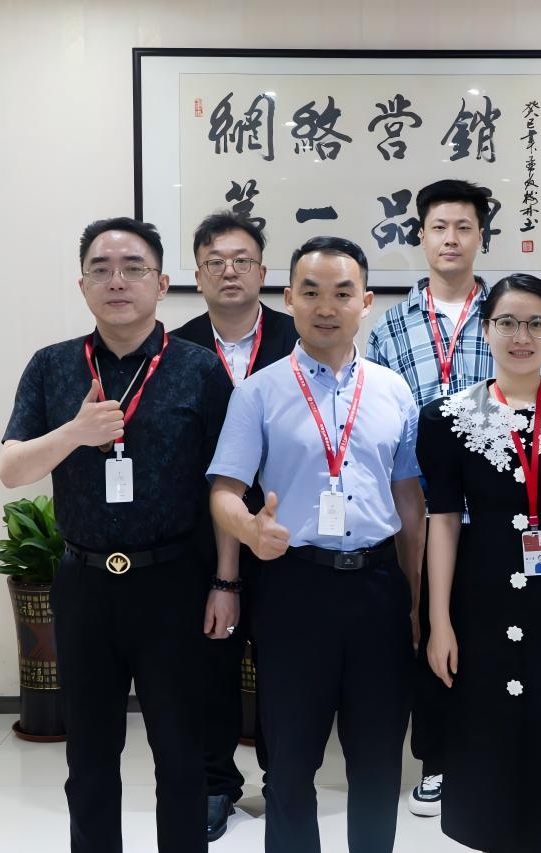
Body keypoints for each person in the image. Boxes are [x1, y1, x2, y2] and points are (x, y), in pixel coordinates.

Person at [0, 217, 236, 853]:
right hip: (85, 584)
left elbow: (227, 485)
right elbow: (11, 469)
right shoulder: (52, 367)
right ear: (82, 286)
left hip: (175, 583)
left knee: (181, 754)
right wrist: (74, 433)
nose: (117, 281)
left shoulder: (200, 370)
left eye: (133, 268)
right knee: (90, 757)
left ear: (161, 283)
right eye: (100, 270)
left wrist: (225, 582)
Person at [208, 236, 426, 853]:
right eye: (310, 292)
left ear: (366, 302)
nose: (326, 307)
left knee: (378, 759)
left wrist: (415, 599)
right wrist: (250, 529)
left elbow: (409, 501)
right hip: (293, 587)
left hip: (379, 588)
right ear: (289, 299)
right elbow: (224, 492)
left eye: (342, 293)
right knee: (290, 760)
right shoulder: (258, 392)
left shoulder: (394, 391)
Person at [419, 274, 541, 853]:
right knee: (484, 731)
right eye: (507, 322)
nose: (521, 336)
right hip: (478, 602)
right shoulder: (448, 417)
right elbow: (442, 521)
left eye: (536, 323)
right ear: (486, 330)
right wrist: (439, 622)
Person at [365, 178, 495, 818]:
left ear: (481, 237)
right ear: (420, 236)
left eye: (463, 227)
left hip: (491, 507)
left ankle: (488, 757)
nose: (451, 238)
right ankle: (435, 761)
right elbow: (375, 413)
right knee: (421, 630)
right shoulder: (391, 325)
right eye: (439, 227)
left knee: (489, 631)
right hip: (414, 508)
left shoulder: (506, 311)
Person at [171, 211, 297, 842]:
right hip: (201, 534)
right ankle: (216, 782)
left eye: (241, 260)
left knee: (284, 664)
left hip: (285, 533)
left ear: (262, 272)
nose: (229, 270)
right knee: (209, 663)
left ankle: (284, 780)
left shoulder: (299, 337)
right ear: (196, 276)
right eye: (214, 261)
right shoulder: (175, 349)